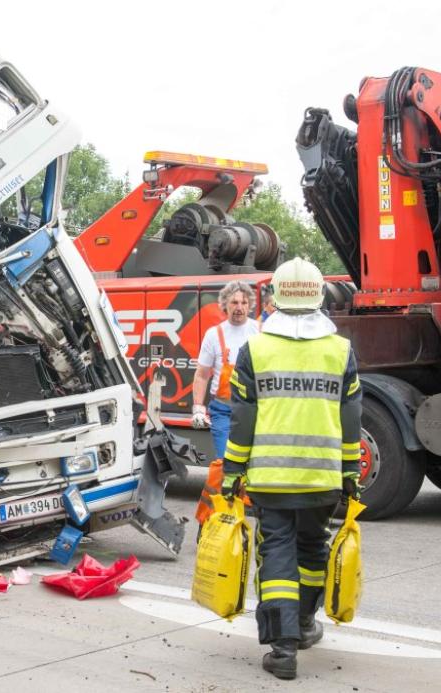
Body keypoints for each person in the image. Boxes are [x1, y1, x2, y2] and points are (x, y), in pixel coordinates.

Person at [220, 257, 362, 680]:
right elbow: (351, 417)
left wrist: (232, 471)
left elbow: (242, 419)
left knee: (277, 551)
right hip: (322, 479)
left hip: (271, 479)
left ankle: (283, 650)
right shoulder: (340, 350)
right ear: (320, 296)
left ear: (274, 299)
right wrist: (351, 472)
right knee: (313, 548)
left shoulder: (255, 349)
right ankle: (303, 625)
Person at [190, 282, 260, 525]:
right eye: (234, 303)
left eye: (243, 302)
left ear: (250, 304)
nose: (239, 307)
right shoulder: (214, 334)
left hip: (252, 411)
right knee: (224, 464)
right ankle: (212, 518)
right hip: (222, 411)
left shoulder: (260, 332)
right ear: (225, 305)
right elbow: (202, 374)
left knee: (253, 465)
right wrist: (198, 407)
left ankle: (241, 512)